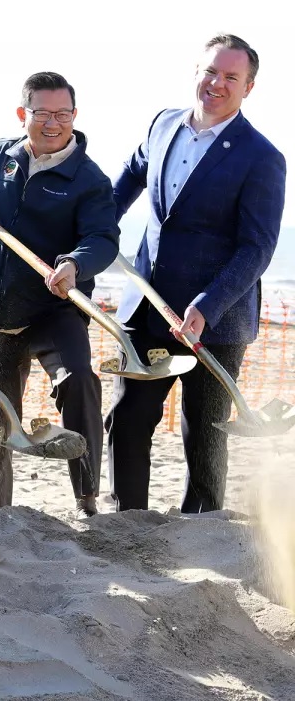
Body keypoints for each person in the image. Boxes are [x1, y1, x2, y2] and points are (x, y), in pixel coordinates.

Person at [106, 34, 286, 513]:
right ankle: (128, 523)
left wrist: (207, 305)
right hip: (147, 306)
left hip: (217, 320)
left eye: (231, 76)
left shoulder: (262, 157)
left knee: (203, 434)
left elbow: (257, 248)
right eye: (211, 71)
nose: (217, 83)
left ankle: (201, 532)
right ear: (197, 72)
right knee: (127, 419)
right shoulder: (162, 124)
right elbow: (126, 181)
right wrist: (92, 231)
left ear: (249, 87)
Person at [0, 72, 117, 516]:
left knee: (79, 380)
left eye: (62, 114)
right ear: (23, 115)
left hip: (52, 308)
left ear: (75, 116)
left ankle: (86, 497)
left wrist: (74, 263)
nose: (52, 123)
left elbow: (102, 238)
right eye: (42, 113)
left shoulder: (89, 180)